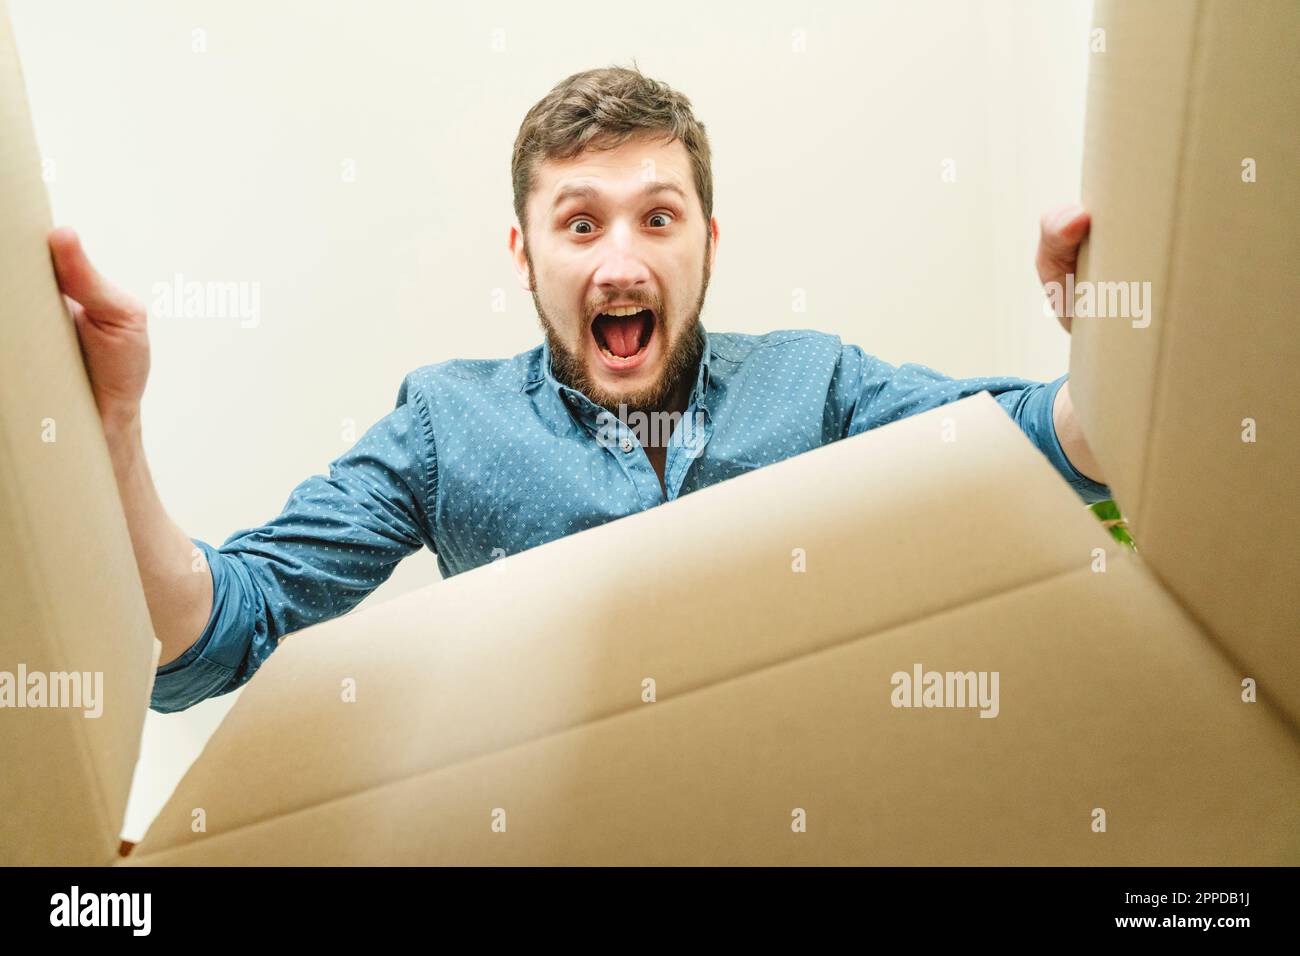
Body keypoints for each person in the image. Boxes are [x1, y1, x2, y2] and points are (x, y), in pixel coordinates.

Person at [48, 66, 1108, 714]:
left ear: (708, 240)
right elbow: (206, 639)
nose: (620, 261)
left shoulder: (818, 383)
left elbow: (1041, 445)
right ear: (525, 251)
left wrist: (1113, 353)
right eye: (580, 221)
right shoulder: (442, 425)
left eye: (657, 216)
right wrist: (117, 428)